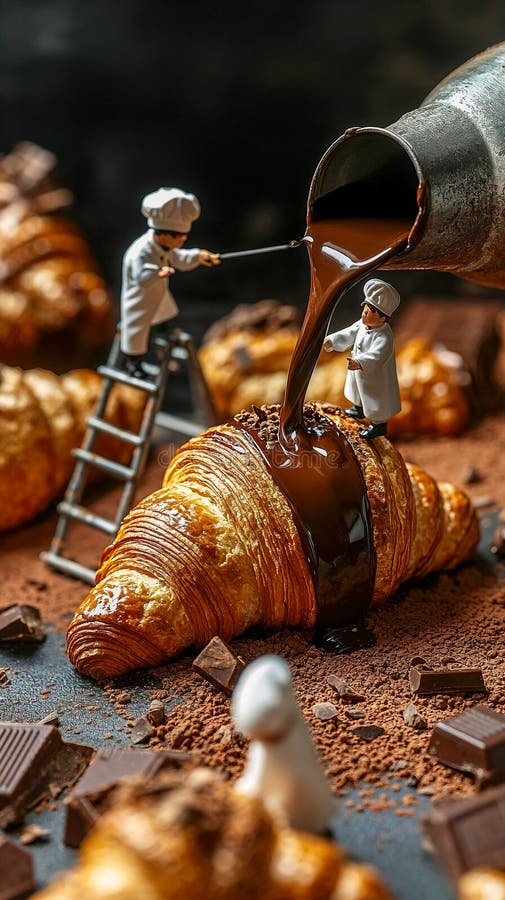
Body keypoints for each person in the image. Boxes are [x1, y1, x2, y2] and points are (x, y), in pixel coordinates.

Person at [120, 187, 220, 377]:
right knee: (136, 332)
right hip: (139, 297)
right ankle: (133, 365)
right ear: (162, 233)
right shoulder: (141, 251)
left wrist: (199, 256)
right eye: (177, 236)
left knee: (165, 312)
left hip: (158, 292)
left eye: (183, 236)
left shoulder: (164, 246)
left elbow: (180, 258)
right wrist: (158, 273)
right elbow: (141, 278)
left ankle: (163, 333)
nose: (182, 240)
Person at [323, 279, 401, 440]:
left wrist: (360, 362)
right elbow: (349, 332)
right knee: (357, 390)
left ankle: (378, 425)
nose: (363, 315)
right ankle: (358, 408)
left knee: (375, 398)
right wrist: (332, 340)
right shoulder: (363, 324)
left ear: (382, 318)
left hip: (375, 376)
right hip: (358, 370)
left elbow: (378, 355)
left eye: (368, 313)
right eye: (364, 311)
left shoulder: (384, 336)